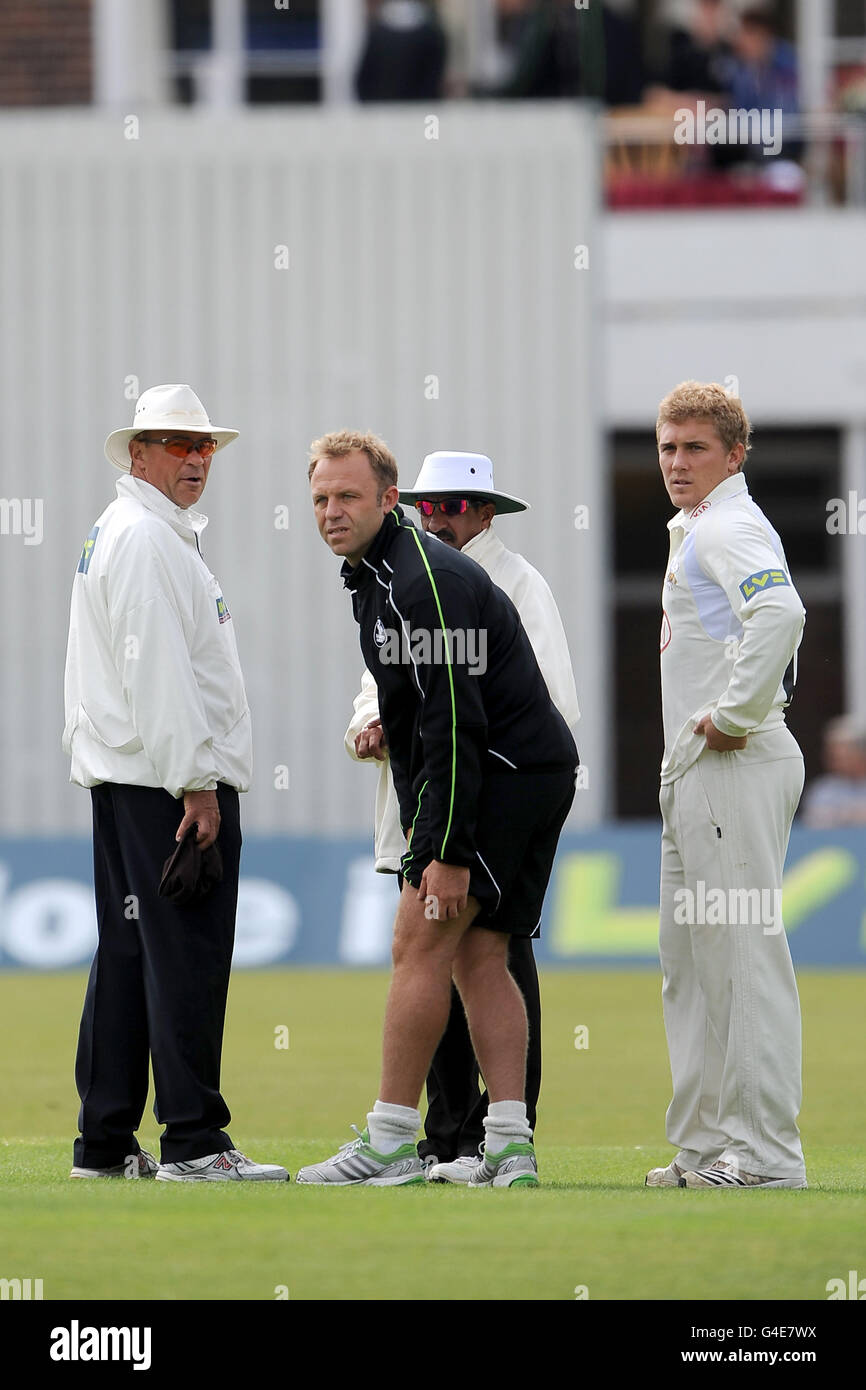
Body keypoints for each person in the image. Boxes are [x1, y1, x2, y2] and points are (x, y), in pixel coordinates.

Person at [301, 431, 577, 1187]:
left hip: (503, 772)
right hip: (519, 771)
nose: (332, 511)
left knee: (417, 940)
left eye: (349, 496)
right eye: (321, 498)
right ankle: (509, 1148)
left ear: (389, 501)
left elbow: (455, 721)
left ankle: (390, 1141)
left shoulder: (418, 581)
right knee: (481, 954)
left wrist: (446, 851)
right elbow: (424, 714)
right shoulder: (380, 574)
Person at [63, 383, 288, 1183]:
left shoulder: (131, 531)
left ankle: (105, 1143)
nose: (196, 459)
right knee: (185, 957)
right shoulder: (150, 540)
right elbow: (157, 672)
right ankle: (193, 1141)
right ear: (138, 453)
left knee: (129, 954)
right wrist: (196, 785)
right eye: (176, 445)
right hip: (167, 784)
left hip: (133, 778)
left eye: (203, 448)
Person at [647, 381, 807, 1190]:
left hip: (735, 762)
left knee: (741, 958)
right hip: (700, 772)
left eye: (695, 448)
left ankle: (767, 1157)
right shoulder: (701, 528)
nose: (677, 462)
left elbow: (781, 613)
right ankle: (708, 1148)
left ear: (735, 455)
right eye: (668, 447)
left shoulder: (730, 525)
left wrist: (735, 714)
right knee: (691, 963)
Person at [800, 716, 866, 828]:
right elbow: (811, 824)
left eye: (845, 756)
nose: (836, 762)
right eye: (832, 756)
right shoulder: (821, 790)